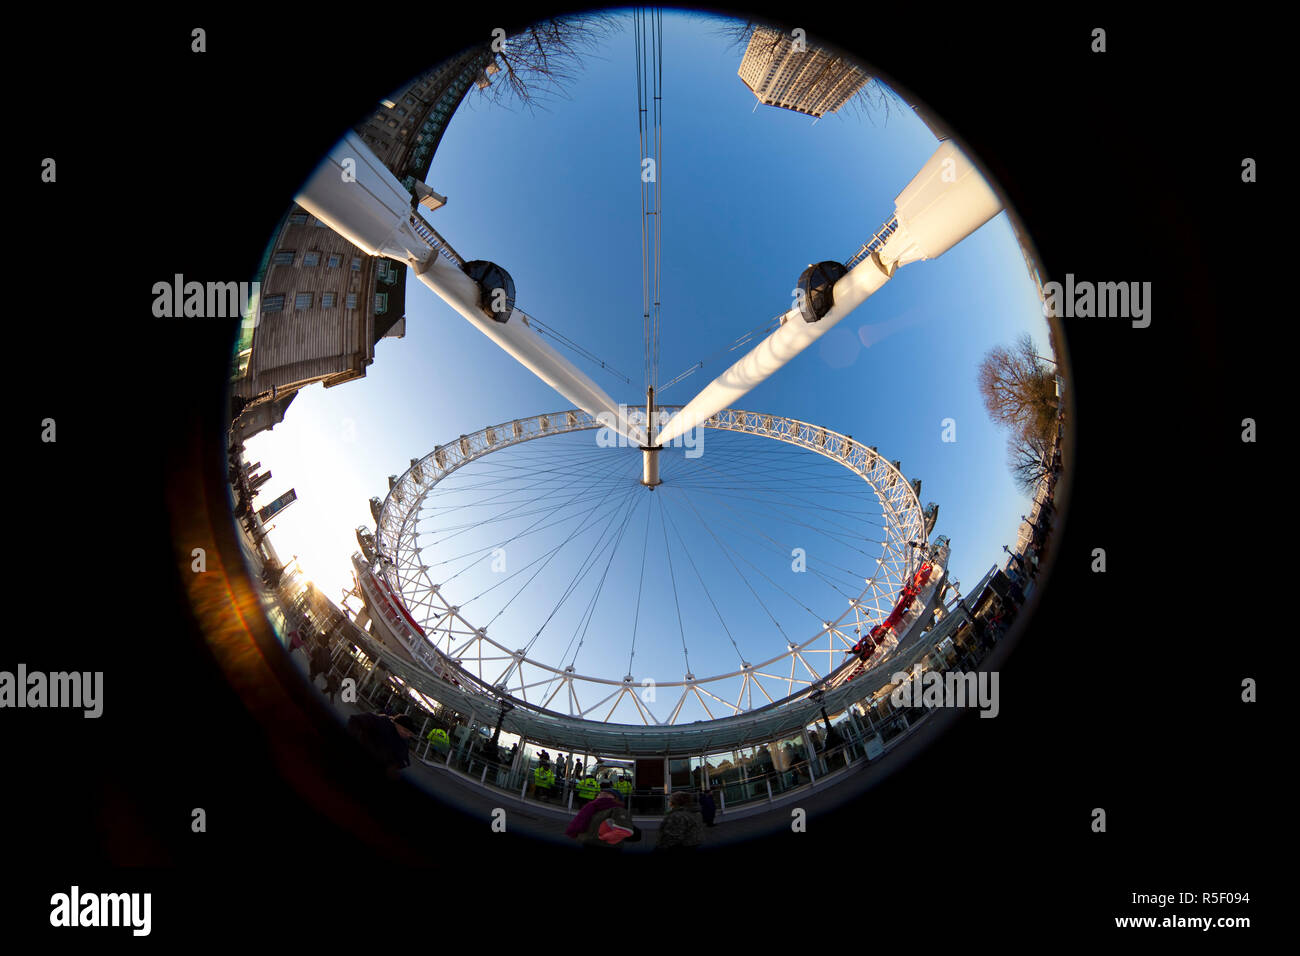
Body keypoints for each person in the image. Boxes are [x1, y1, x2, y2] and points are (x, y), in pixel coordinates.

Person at [566, 781, 639, 849]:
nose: (601, 794)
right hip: (587, 843)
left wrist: (604, 839)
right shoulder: (591, 807)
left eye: (607, 793)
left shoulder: (617, 810)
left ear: (615, 798)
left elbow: (625, 830)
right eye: (600, 793)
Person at [347, 712, 417, 774]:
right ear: (396, 723)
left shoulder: (404, 743)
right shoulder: (382, 722)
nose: (407, 735)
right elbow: (356, 720)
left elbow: (401, 762)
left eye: (410, 734)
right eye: (405, 730)